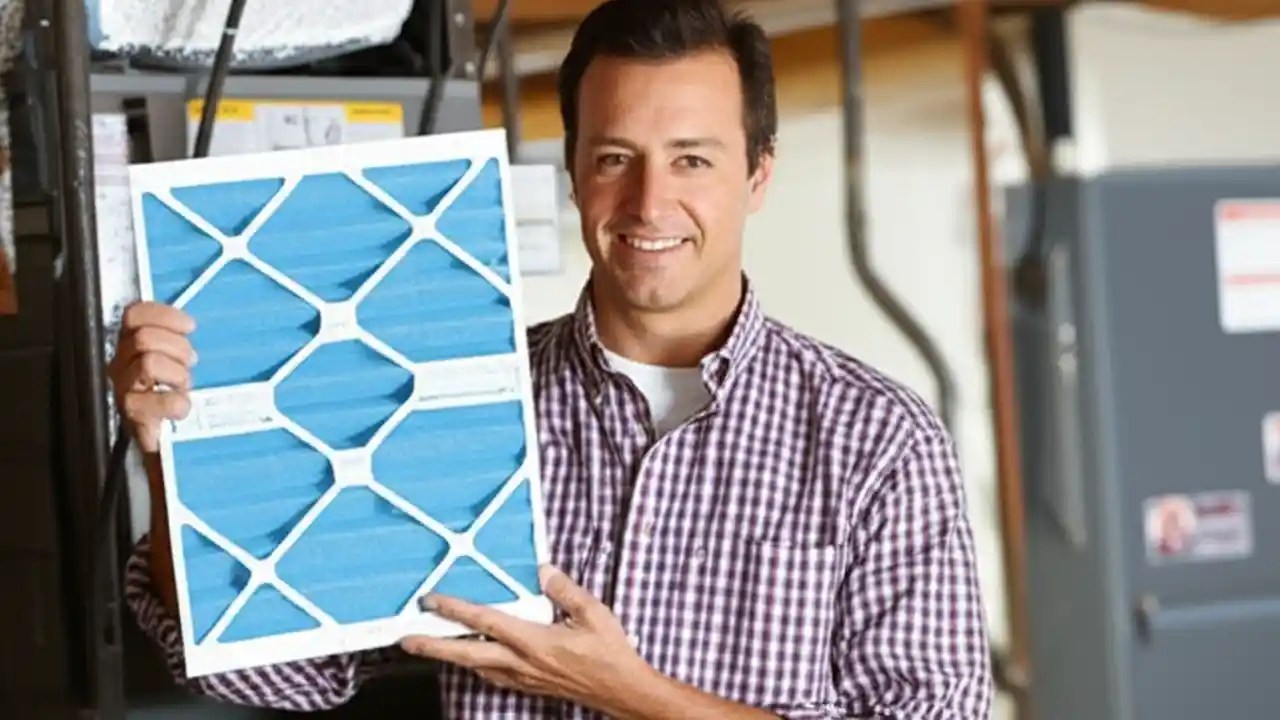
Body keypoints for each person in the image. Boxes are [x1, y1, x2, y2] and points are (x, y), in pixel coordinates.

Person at [109, 0, 993, 717]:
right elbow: (279, 673)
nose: (649, 202)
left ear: (758, 174)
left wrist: (630, 694)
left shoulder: (879, 442)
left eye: (692, 160)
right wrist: (173, 451)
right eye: (615, 158)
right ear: (572, 170)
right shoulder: (455, 398)